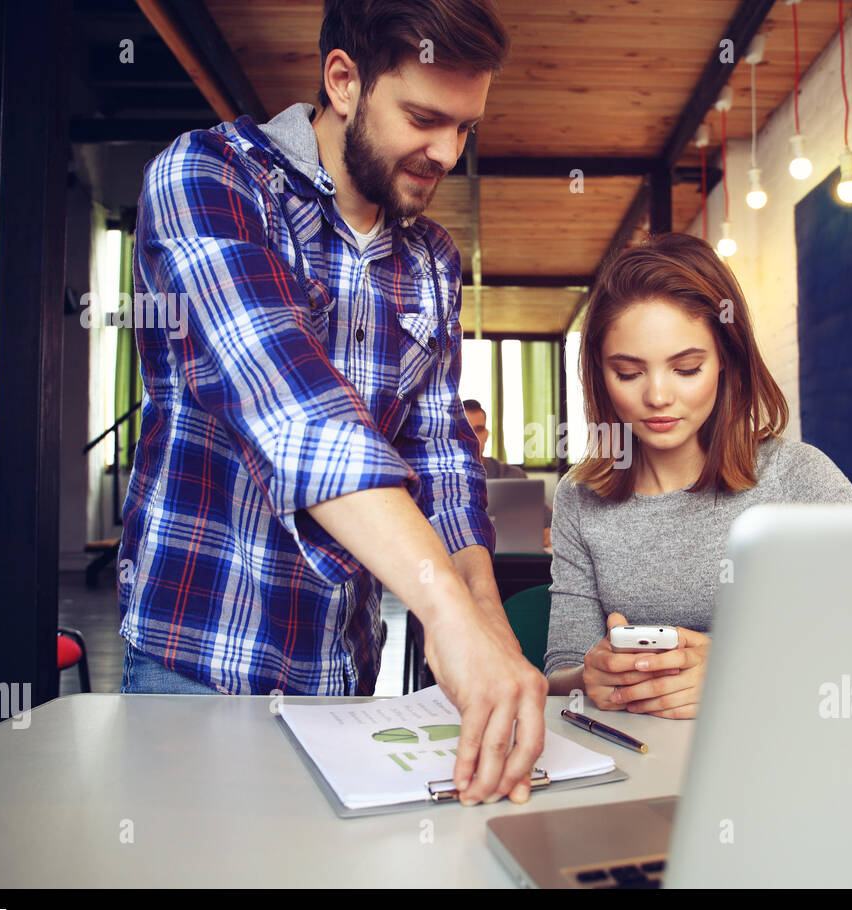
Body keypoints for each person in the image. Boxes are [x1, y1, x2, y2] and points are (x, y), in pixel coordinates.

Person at [117, 0, 546, 806]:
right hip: (195, 664)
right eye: (424, 117)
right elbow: (298, 419)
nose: (448, 152)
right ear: (344, 81)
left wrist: (485, 621)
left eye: (466, 128)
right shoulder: (205, 179)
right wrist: (443, 611)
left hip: (345, 674)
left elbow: (443, 459)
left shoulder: (432, 260)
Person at [544, 233, 852, 718]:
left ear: (725, 363)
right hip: (637, 762)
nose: (657, 396)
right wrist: (592, 673)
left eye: (686, 368)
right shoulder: (580, 496)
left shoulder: (796, 477)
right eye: (628, 373)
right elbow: (562, 669)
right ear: (599, 377)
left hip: (775, 752)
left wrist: (739, 668)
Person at [463, 398, 552, 547]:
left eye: (478, 430)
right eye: (465, 430)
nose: (472, 438)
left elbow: (545, 518)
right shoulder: (444, 480)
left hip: (512, 559)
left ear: (486, 434)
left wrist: (549, 530)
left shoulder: (514, 476)